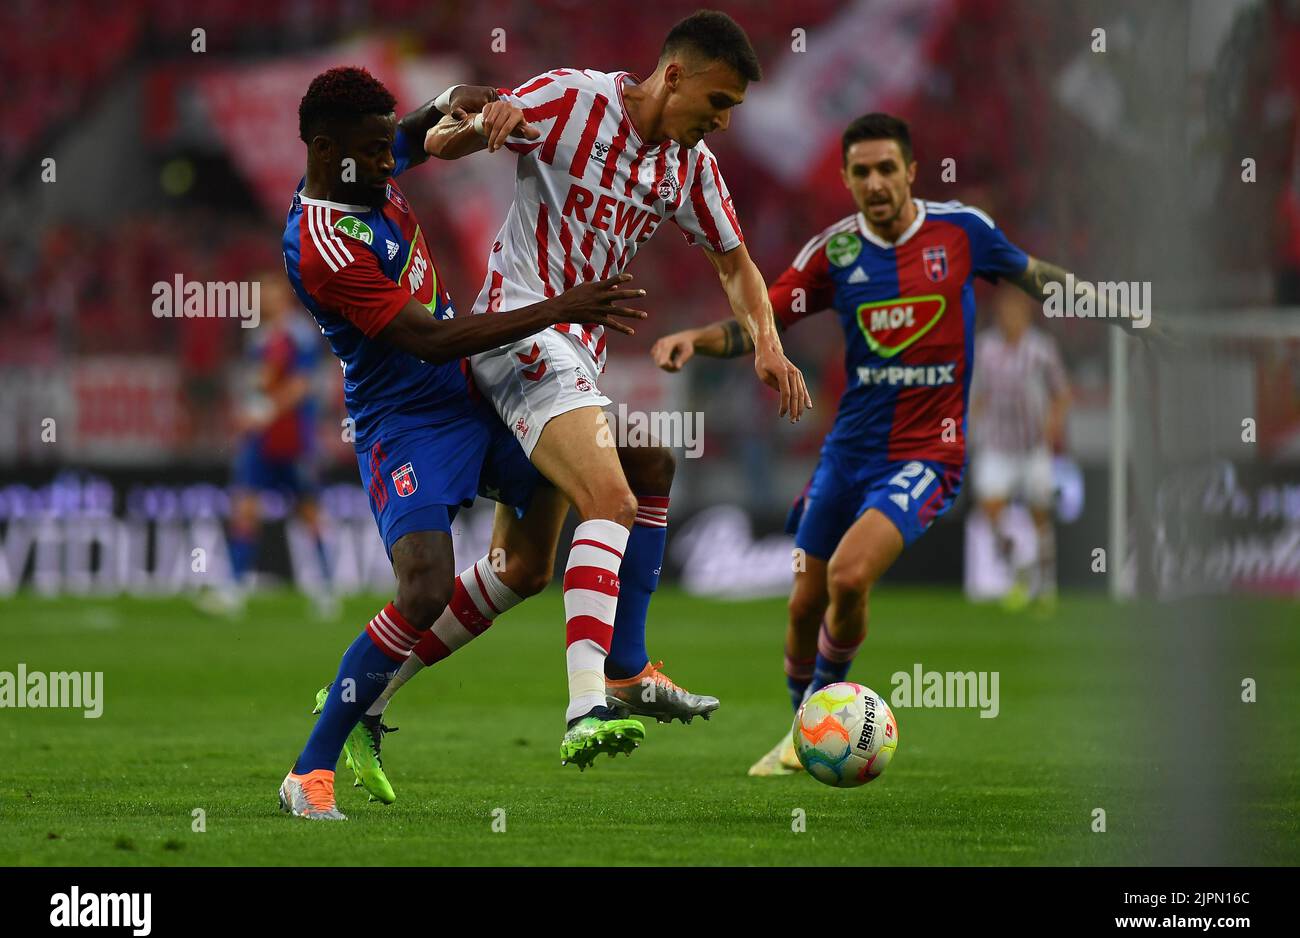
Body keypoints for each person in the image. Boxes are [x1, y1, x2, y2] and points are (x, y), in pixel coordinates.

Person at [362, 9, 812, 774]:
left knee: (529, 564)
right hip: (519, 331)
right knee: (614, 498)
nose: (725, 121)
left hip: (576, 355)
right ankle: (590, 701)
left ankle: (364, 695)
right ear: (674, 76)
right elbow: (439, 144)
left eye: (732, 108)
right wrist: (486, 119)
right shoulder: (572, 101)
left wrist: (768, 346)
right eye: (718, 101)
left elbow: (735, 264)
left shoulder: (688, 169)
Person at [651, 112, 1146, 776]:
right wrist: (698, 341)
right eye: (862, 172)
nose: (876, 182)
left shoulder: (961, 233)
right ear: (848, 179)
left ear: (911, 171)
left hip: (927, 453)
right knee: (803, 603)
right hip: (847, 455)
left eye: (888, 168)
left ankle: (822, 720)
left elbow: (1036, 277)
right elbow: (762, 320)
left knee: (851, 577)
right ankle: (804, 729)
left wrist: (1118, 306)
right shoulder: (835, 253)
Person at [278, 66, 647, 820]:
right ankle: (308, 772)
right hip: (405, 420)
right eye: (375, 153)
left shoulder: (363, 162)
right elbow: (432, 338)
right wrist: (559, 308)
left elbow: (422, 126)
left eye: (387, 148)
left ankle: (628, 670)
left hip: (473, 393)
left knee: (619, 479)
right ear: (324, 150)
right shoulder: (324, 246)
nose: (391, 163)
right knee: (423, 589)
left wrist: (472, 99)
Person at [202, 270, 338, 620]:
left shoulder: (300, 335)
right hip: (260, 439)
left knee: (308, 511)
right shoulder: (260, 339)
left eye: (271, 294)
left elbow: (302, 385)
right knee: (245, 506)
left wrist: (265, 410)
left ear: (284, 297)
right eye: (262, 294)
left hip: (293, 436)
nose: (265, 300)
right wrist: (248, 416)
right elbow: (257, 386)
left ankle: (326, 589)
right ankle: (234, 589)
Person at [970, 285, 1071, 611]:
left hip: (1032, 447)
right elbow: (978, 393)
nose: (1010, 317)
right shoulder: (984, 348)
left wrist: (1053, 423)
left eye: (1016, 311)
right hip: (997, 444)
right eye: (1005, 310)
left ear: (1026, 314)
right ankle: (1018, 568)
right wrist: (971, 421)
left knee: (1039, 514)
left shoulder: (1042, 349)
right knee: (990, 508)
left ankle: (1045, 586)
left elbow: (1062, 393)